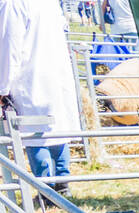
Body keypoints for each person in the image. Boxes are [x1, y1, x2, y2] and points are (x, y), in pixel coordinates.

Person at [0, 0, 81, 196]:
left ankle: (47, 190)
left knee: (34, 134)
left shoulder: (12, 4)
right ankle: (62, 183)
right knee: (57, 129)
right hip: (55, 73)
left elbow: (9, 45)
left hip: (31, 76)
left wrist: (3, 87)